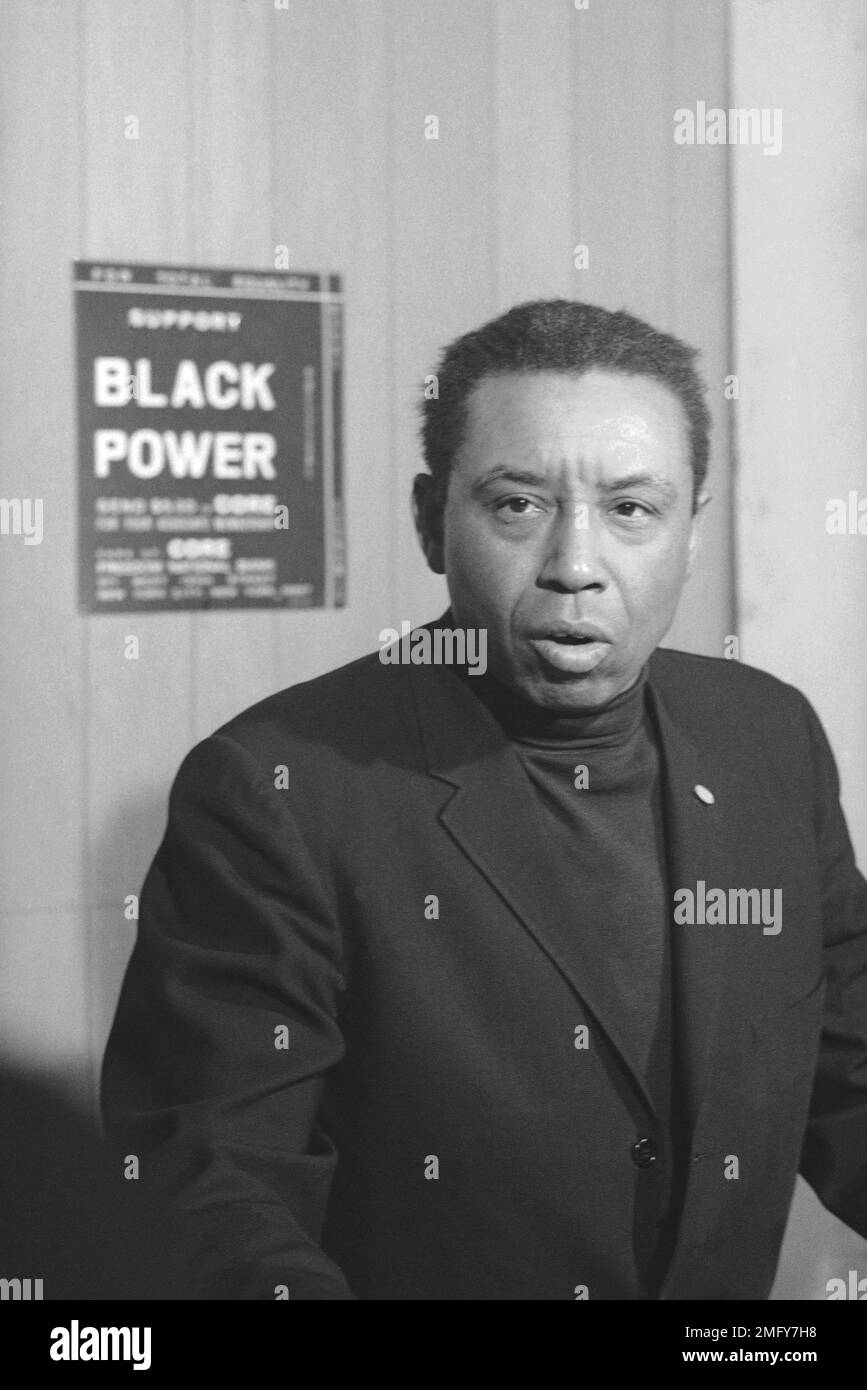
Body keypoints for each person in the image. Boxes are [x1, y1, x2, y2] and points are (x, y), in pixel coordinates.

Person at [101, 300, 867, 1300]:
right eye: (518, 504)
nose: (576, 566)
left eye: (633, 508)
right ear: (433, 521)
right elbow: (217, 1193)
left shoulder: (768, 738)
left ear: (690, 532)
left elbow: (850, 1072)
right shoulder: (279, 789)